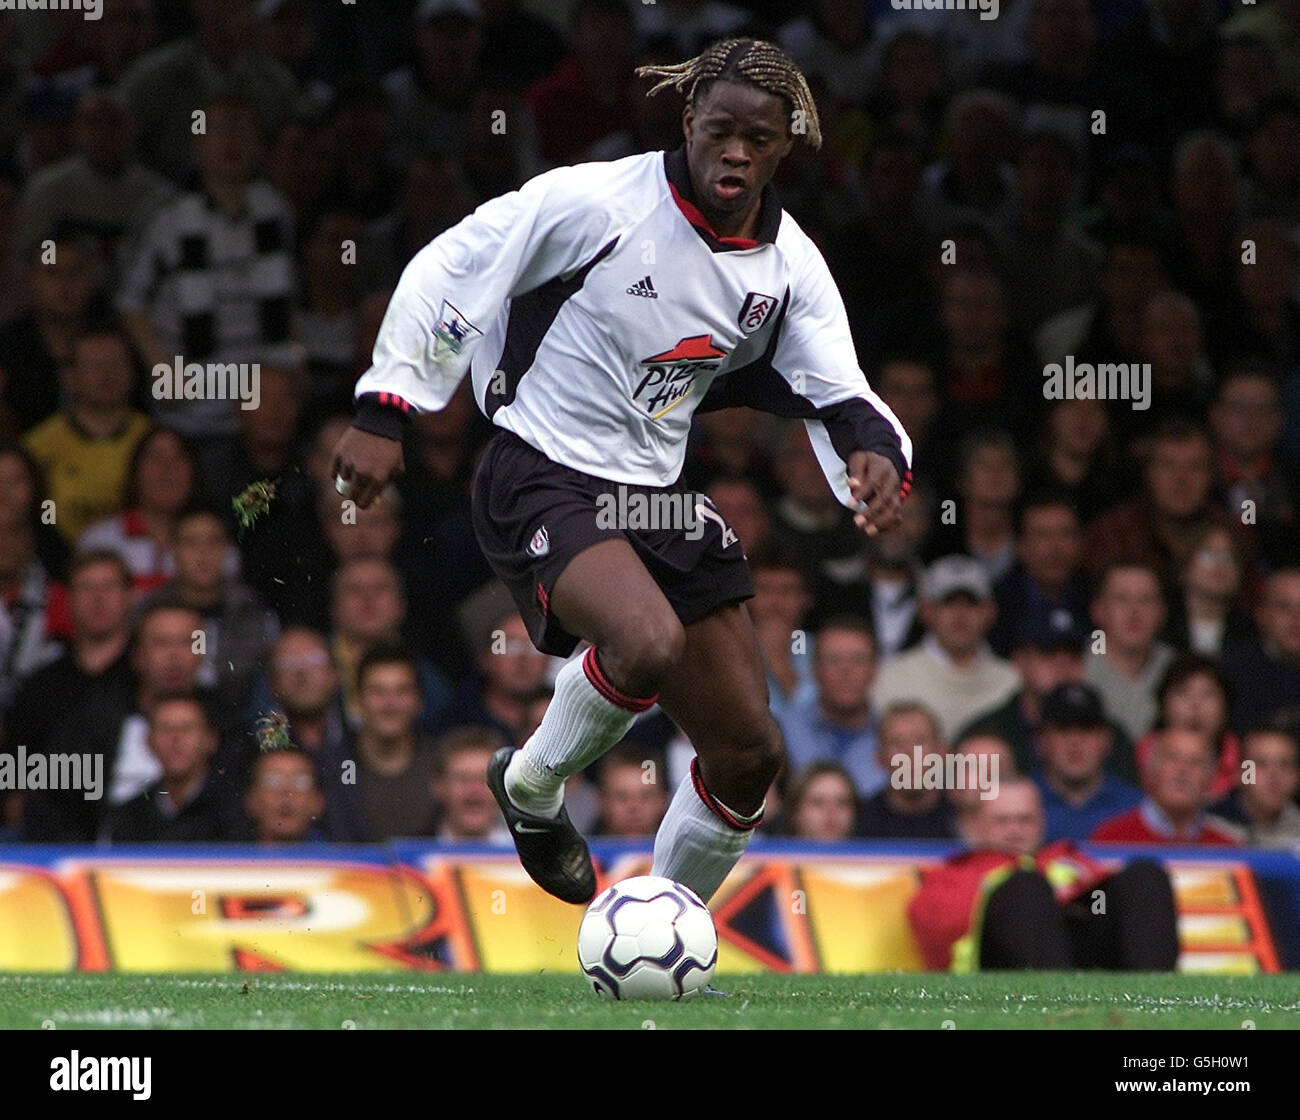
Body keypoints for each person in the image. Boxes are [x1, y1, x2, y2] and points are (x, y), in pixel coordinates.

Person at [330, 37, 911, 905]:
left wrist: (876, 452)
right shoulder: (597, 202)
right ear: (689, 121)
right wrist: (387, 407)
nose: (736, 152)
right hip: (540, 470)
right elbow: (456, 264)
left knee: (751, 754)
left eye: (759, 138)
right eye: (720, 130)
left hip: (656, 496)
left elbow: (835, 382)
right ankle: (529, 788)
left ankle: (656, 925)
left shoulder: (791, 266)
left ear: (788, 143)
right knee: (645, 642)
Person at [907, 777, 1180, 971]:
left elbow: (1104, 906)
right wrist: (1029, 901)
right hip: (1008, 967)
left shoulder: (1065, 860)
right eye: (1002, 821)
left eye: (1025, 819)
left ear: (1042, 822)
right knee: (1026, 888)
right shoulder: (955, 875)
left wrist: (1084, 904)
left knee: (1145, 876)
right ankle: (1055, 1008)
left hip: (1078, 954)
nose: (1015, 830)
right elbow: (937, 935)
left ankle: (1154, 999)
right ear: (976, 826)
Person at [105, 693, 246, 842]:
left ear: (211, 740)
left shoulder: (238, 810)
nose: (176, 739)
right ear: (148, 742)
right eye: (166, 729)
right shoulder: (129, 816)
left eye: (187, 728)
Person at [777, 615, 886, 798]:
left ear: (874, 670)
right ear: (814, 669)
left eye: (858, 660)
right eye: (833, 659)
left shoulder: (892, 736)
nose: (846, 672)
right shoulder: (783, 730)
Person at [1090, 727, 1243, 845]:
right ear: (1150, 770)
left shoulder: (1226, 848)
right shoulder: (1110, 839)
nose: (1182, 769)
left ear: (1211, 778)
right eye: (1172, 758)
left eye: (1195, 762)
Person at [1031, 682, 1141, 843]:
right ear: (1041, 741)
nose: (1075, 741)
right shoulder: (1018, 804)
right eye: (1063, 729)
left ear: (1107, 740)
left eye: (1087, 729)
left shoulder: (1135, 807)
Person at [859, 702, 958, 839]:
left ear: (942, 752)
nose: (909, 752)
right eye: (897, 743)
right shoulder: (859, 822)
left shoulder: (964, 818)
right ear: (879, 757)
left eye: (920, 741)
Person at [1210, 726, 1300, 848]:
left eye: (1284, 764)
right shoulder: (1209, 824)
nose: (1274, 774)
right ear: (1241, 773)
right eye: (1261, 763)